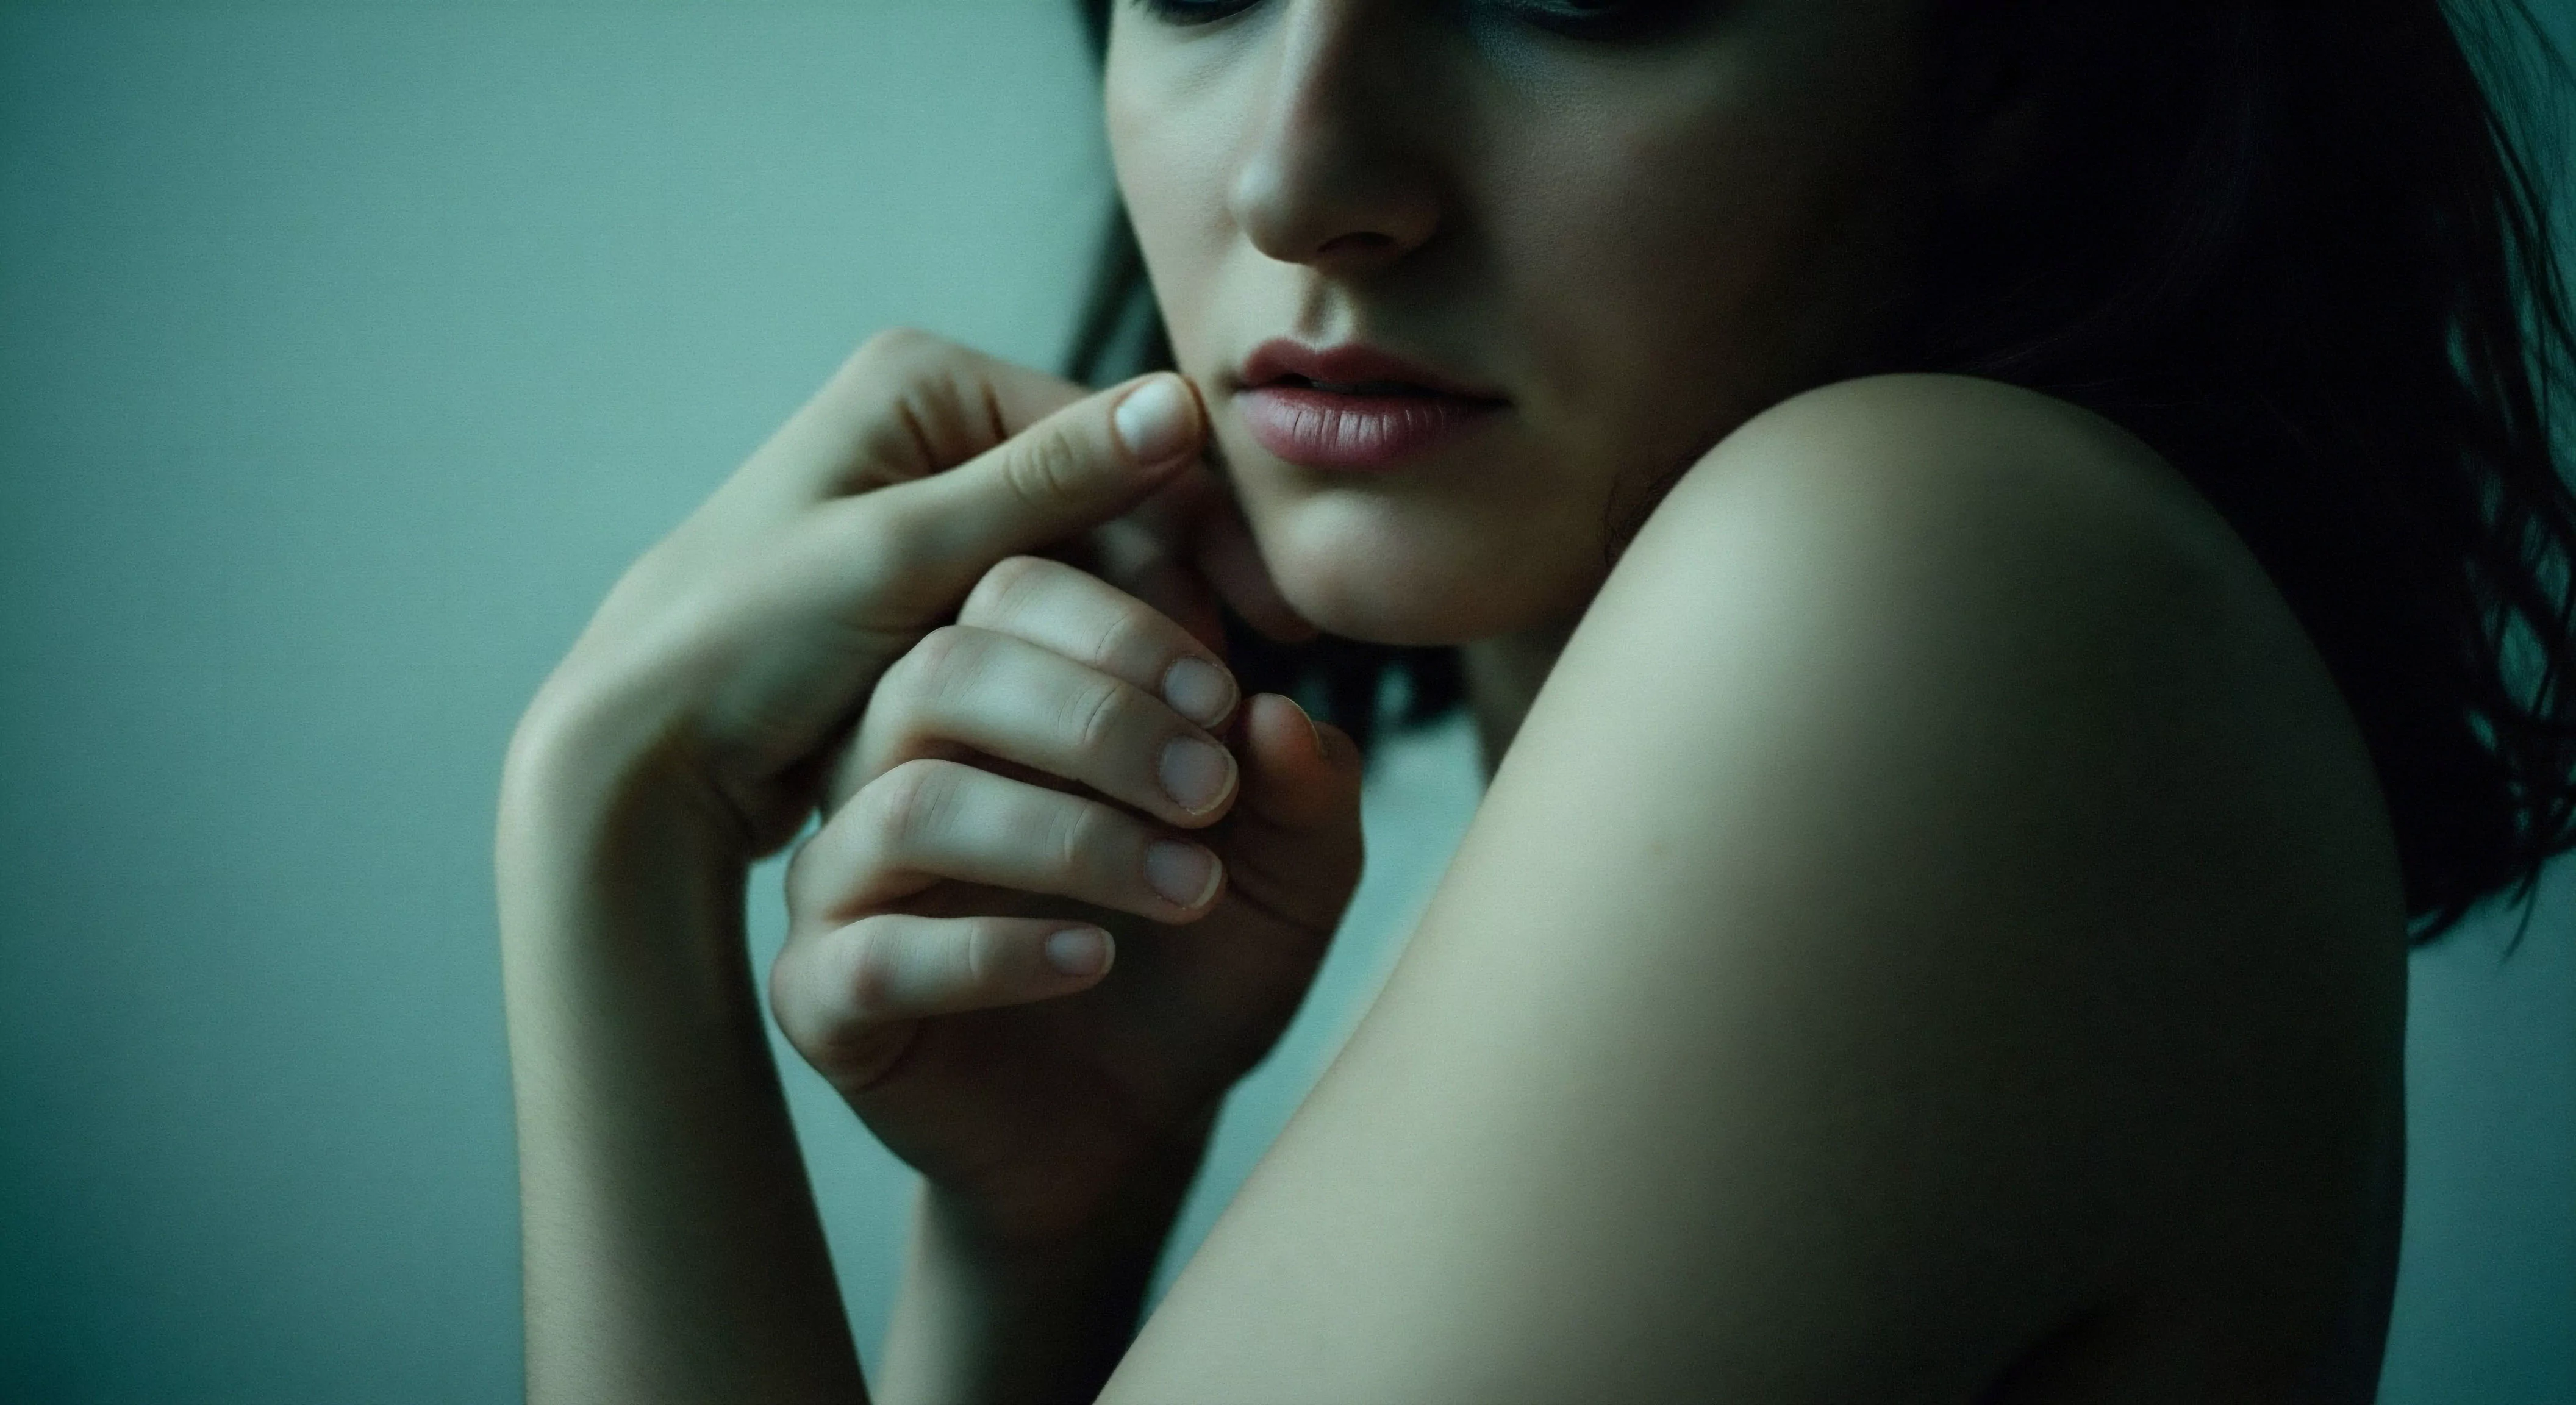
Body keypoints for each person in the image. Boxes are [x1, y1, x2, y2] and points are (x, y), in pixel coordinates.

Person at [495, 0, 2576, 1400]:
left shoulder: (1945, 569)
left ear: (2008, 60)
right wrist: (1039, 1256)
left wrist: (607, 837)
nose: (1305, 176)